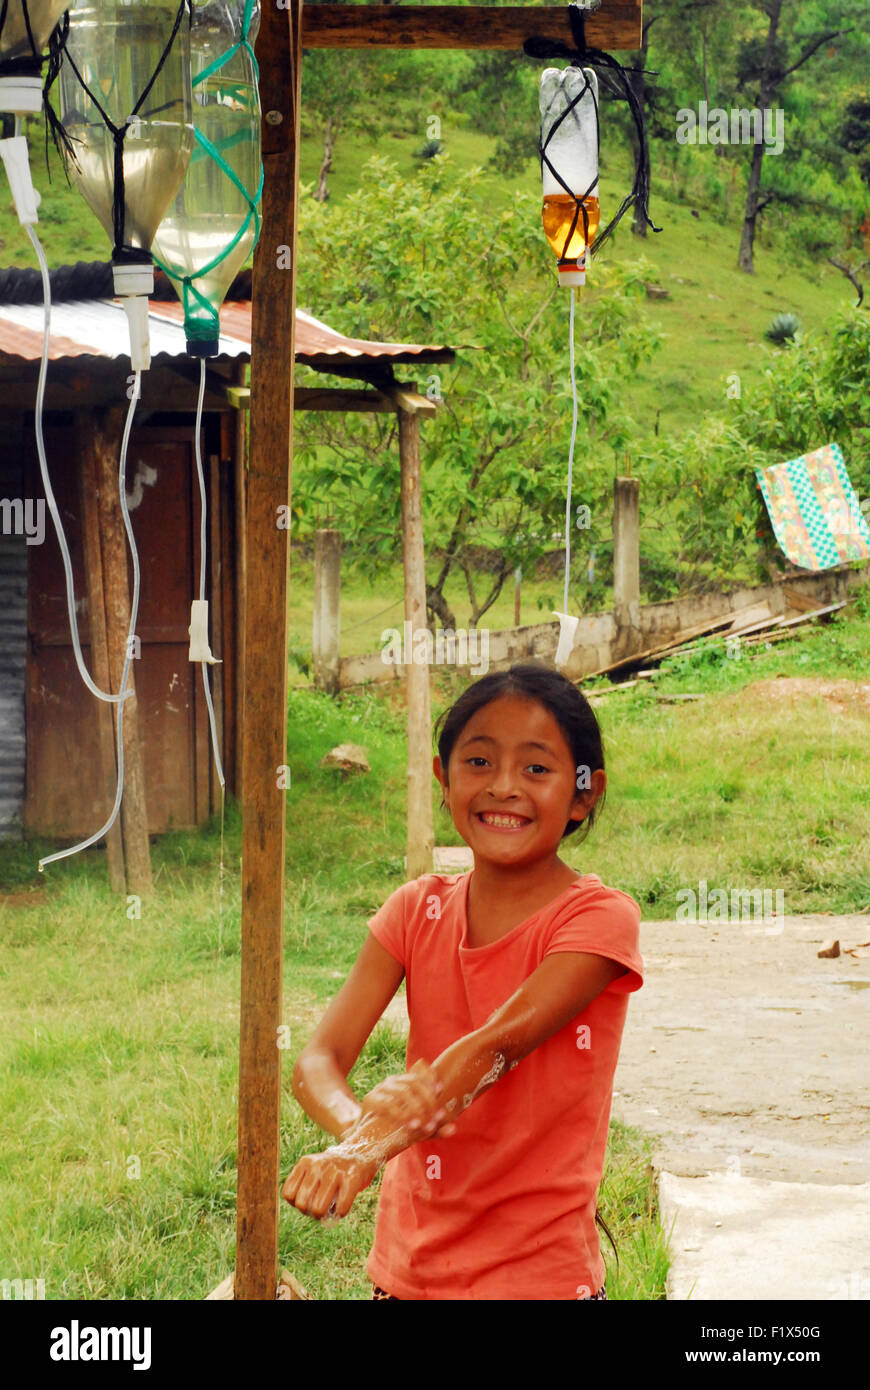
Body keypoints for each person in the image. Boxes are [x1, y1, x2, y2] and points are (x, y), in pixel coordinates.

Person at [282, 662, 643, 1300]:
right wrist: (352, 1130)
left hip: (539, 1282)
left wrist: (367, 1146)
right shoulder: (412, 910)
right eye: (478, 762)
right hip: (405, 1275)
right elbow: (318, 1059)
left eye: (536, 768)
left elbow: (496, 1046)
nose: (504, 787)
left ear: (584, 793)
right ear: (443, 780)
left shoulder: (597, 919)